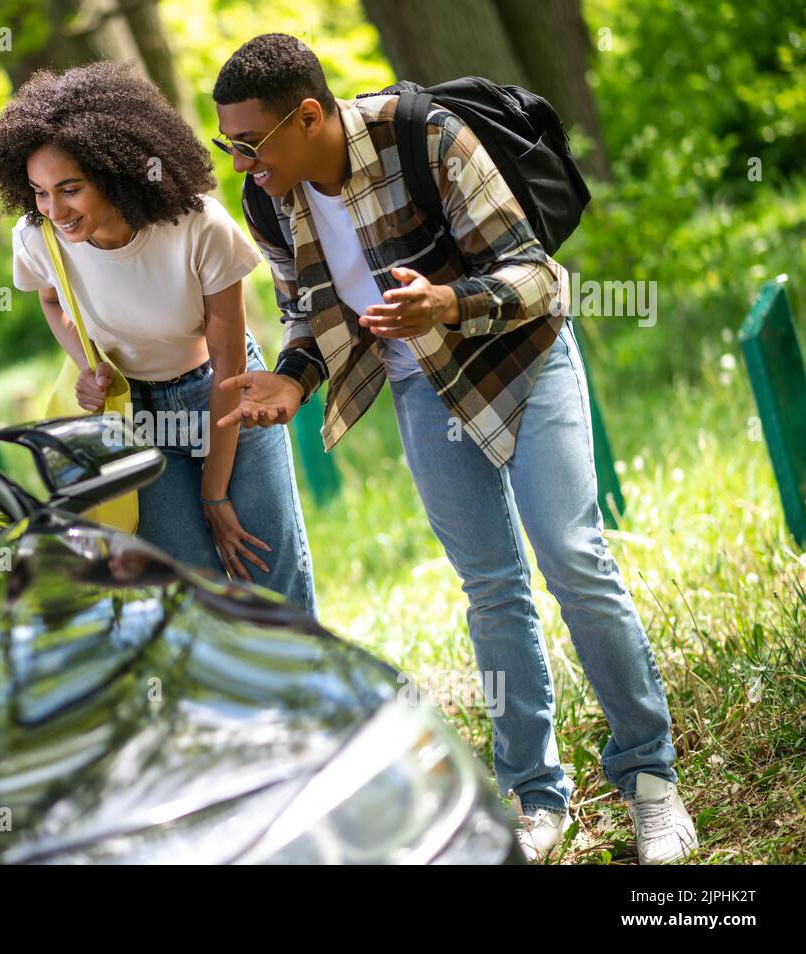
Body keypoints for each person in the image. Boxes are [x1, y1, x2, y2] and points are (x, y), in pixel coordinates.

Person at [210, 33, 697, 864]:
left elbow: (540, 276)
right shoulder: (271, 199)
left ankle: (651, 781)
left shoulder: (424, 133)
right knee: (490, 587)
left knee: (572, 557)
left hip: (519, 361)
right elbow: (304, 315)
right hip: (420, 388)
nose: (240, 161)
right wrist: (292, 381)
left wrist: (447, 303)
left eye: (249, 143)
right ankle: (537, 797)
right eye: (228, 145)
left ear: (309, 114)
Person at [0, 60, 317, 616]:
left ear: (115, 173)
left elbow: (229, 359)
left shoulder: (196, 225)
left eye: (70, 189)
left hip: (225, 395)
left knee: (271, 571)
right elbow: (51, 299)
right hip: (139, 415)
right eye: (38, 192)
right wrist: (89, 366)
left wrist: (215, 491)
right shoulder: (38, 237)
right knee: (190, 589)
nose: (54, 211)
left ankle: (310, 698)